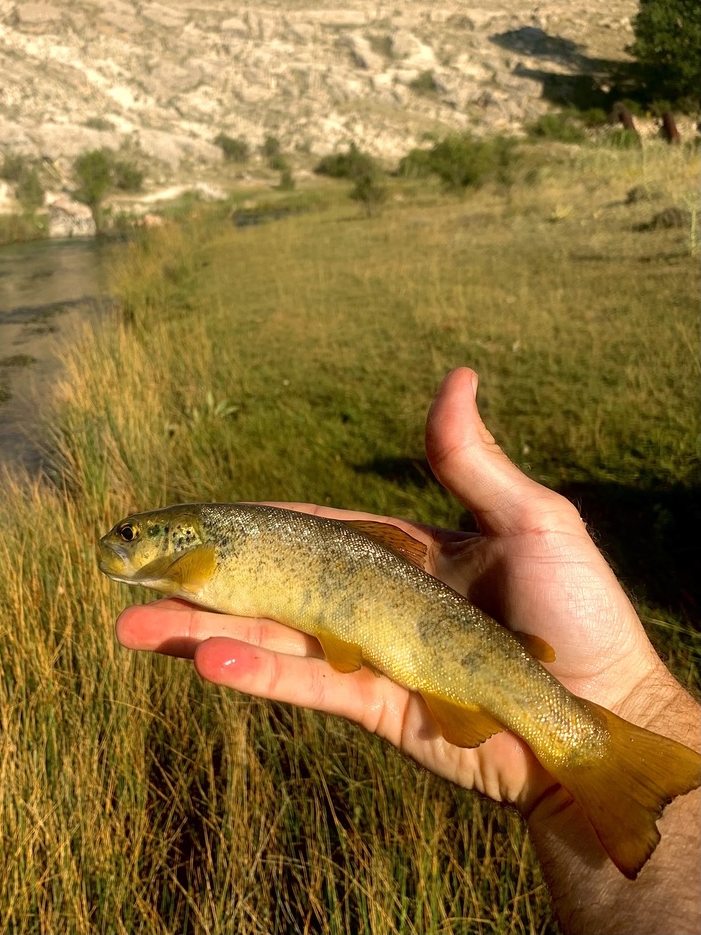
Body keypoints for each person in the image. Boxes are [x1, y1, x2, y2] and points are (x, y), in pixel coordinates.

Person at [116, 367, 701, 935]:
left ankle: (597, 758)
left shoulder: (197, 553)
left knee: (542, 718)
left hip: (439, 637)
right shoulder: (195, 556)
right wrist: (632, 697)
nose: (121, 544)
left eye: (132, 535)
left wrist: (623, 695)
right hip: (412, 626)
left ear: (180, 540)